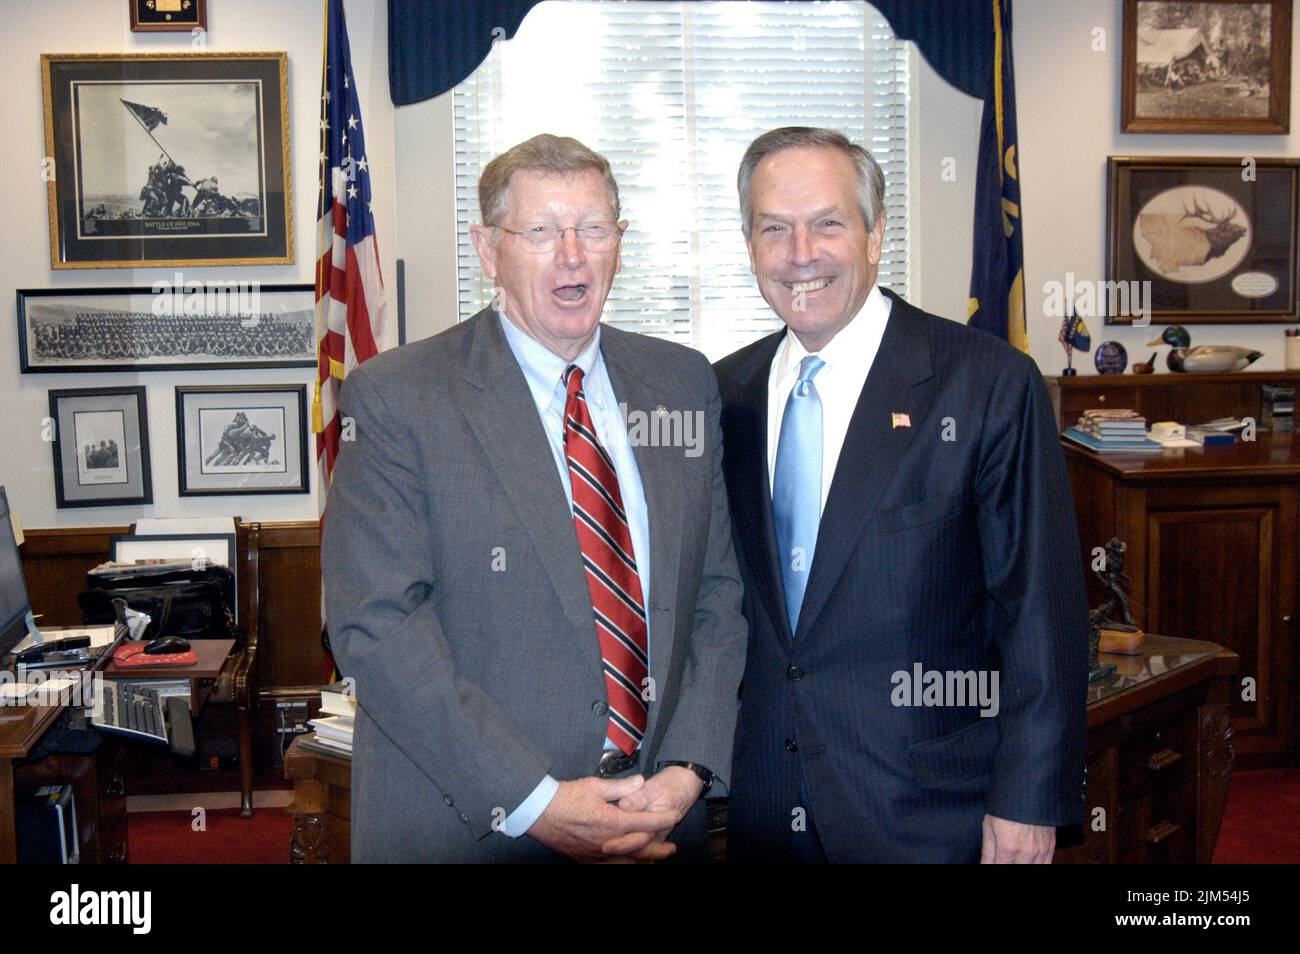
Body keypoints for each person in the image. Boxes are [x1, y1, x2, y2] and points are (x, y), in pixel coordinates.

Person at [322, 134, 747, 862]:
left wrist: (689, 769)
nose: (572, 255)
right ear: (488, 250)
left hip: (657, 822)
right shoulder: (397, 398)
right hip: (470, 828)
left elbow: (716, 593)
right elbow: (377, 625)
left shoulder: (680, 383)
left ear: (619, 242)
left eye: (594, 229)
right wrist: (534, 801)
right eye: (542, 232)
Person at [713, 127, 1088, 863]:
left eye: (827, 223)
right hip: (764, 804)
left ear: (876, 234)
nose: (801, 253)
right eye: (774, 229)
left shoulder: (984, 383)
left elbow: (1040, 609)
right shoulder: (723, 393)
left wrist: (1029, 800)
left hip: (931, 810)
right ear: (749, 245)